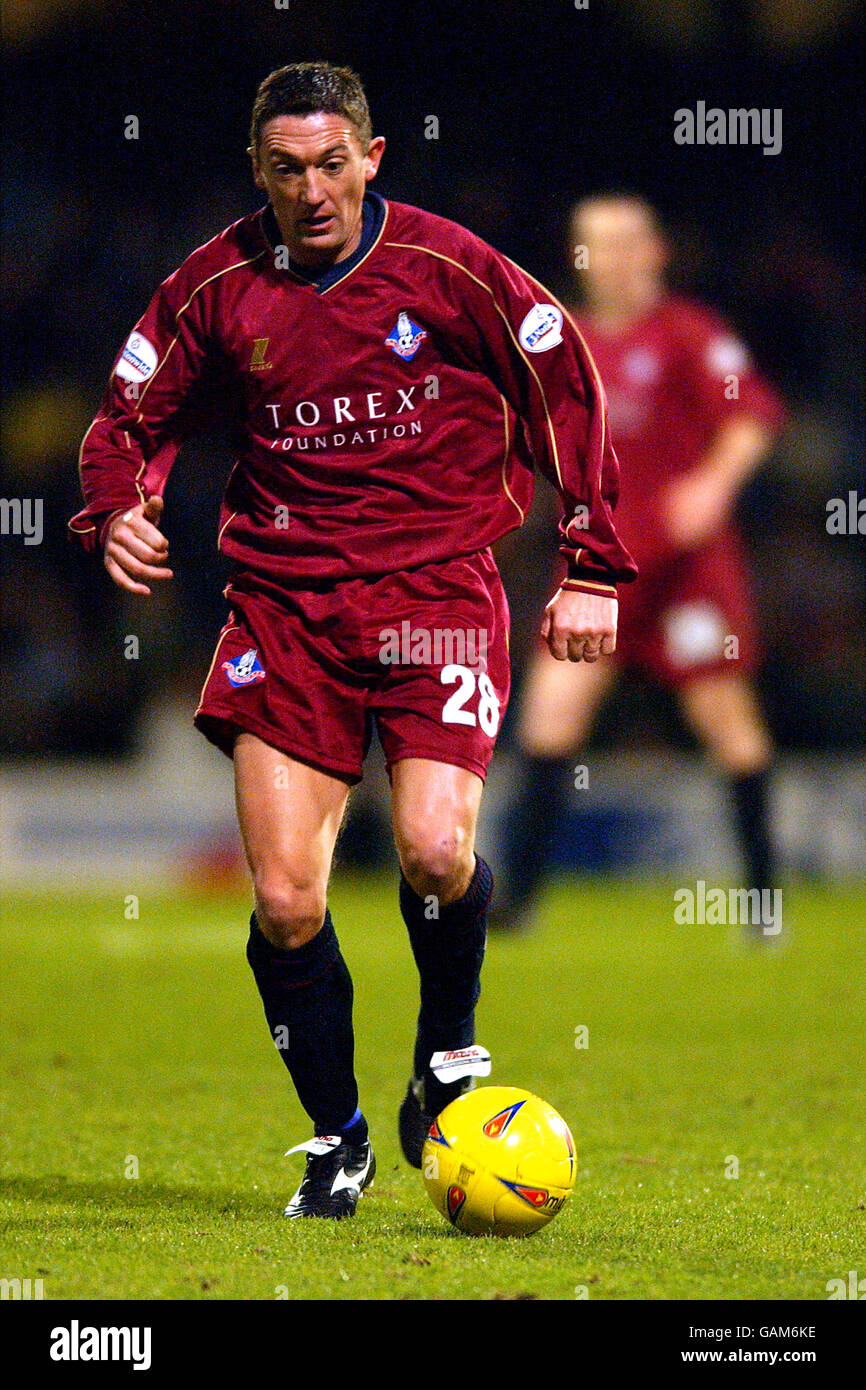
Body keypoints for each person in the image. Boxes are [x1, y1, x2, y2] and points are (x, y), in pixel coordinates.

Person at [69, 64, 636, 1218]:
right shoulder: (215, 284)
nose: (313, 189)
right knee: (285, 900)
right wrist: (114, 503)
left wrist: (589, 563)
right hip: (283, 606)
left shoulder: (449, 269)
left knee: (433, 851)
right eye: (288, 169)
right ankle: (337, 1139)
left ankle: (446, 1053)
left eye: (334, 163)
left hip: (433, 591)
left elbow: (564, 382)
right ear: (259, 172)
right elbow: (129, 413)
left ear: (373, 158)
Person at [496, 193, 786, 931]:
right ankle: (517, 904)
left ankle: (761, 902)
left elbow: (752, 414)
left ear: (654, 250)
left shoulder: (689, 332)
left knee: (726, 723)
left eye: (625, 241)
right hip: (602, 568)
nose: (610, 257)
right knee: (548, 718)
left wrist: (714, 484)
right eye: (595, 243)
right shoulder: (564, 342)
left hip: (689, 571)